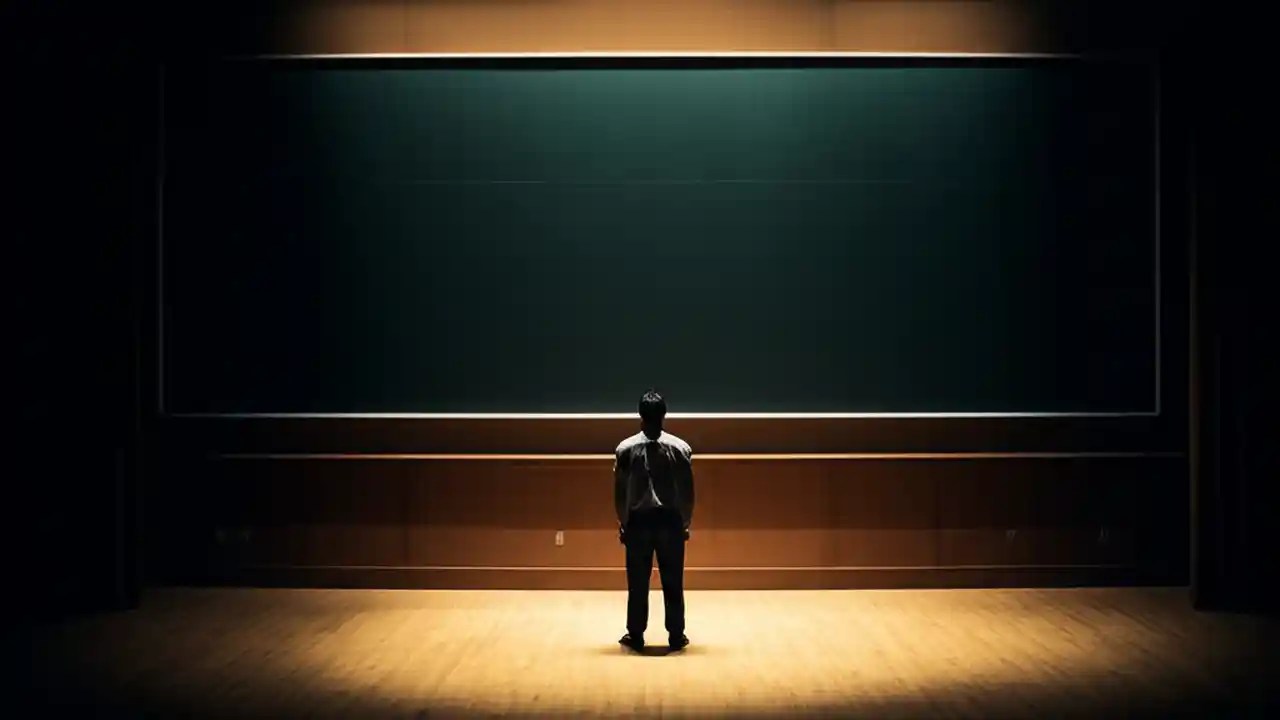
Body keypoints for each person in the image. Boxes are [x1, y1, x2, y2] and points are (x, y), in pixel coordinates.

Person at [614, 389, 694, 652]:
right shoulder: (680, 449)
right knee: (673, 581)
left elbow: (620, 492)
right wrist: (685, 522)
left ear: (640, 415)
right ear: (663, 415)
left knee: (637, 583)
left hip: (639, 522)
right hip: (670, 521)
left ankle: (635, 634)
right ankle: (676, 634)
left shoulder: (625, 450)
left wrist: (624, 522)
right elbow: (687, 491)